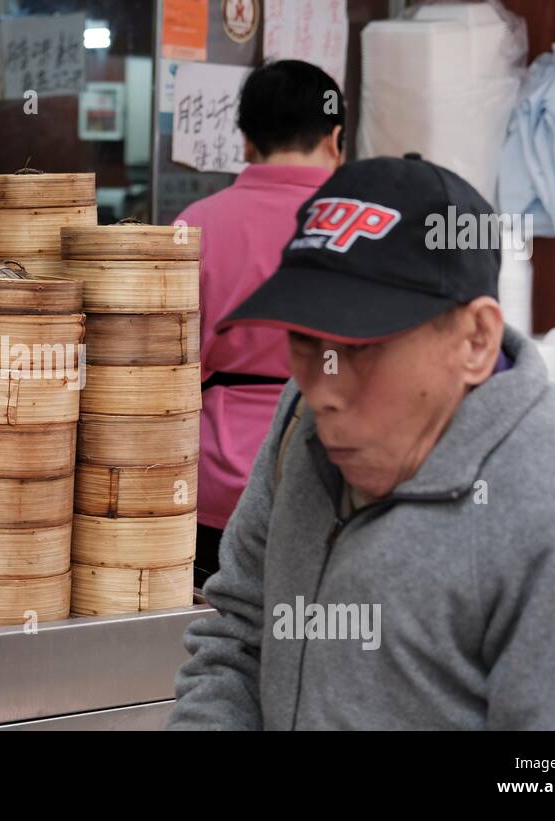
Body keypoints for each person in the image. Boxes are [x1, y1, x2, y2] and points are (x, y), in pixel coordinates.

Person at [167, 155, 555, 730]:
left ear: (476, 340)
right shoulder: (303, 416)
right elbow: (239, 632)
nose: (323, 387)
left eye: (360, 348)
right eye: (304, 341)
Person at [175, 60, 345, 586]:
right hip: (333, 472)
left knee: (219, 638)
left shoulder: (194, 225)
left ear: (247, 143)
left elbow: (170, 367)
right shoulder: (360, 226)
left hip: (215, 484)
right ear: (335, 138)